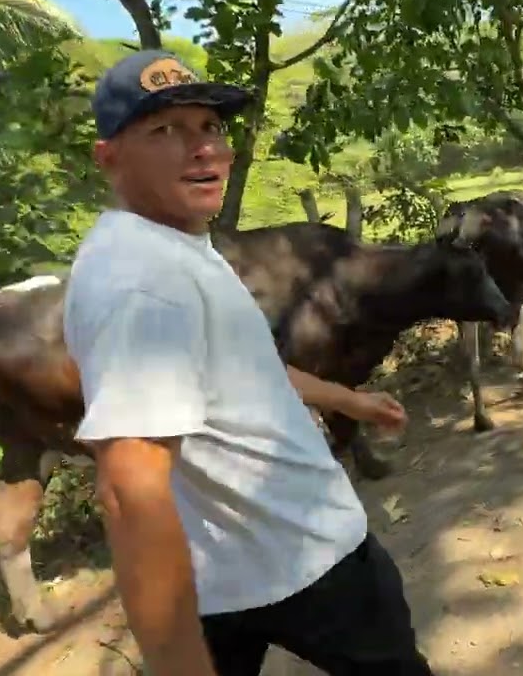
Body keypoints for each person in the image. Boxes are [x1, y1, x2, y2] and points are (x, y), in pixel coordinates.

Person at [62, 50, 435, 676]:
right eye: (165, 131)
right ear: (109, 157)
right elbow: (130, 493)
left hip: (226, 573)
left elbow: (245, 368)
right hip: (306, 556)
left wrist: (348, 400)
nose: (203, 148)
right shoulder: (141, 282)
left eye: (209, 127)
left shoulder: (175, 248)